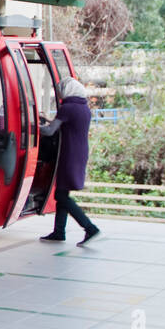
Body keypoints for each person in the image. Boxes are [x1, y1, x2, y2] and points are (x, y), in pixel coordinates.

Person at [39, 76, 100, 246]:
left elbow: (50, 132)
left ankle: (90, 228)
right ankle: (59, 232)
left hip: (69, 154)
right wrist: (50, 120)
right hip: (78, 153)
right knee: (63, 193)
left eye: (60, 90)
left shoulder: (67, 107)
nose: (59, 93)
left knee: (61, 195)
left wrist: (32, 127)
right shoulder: (82, 107)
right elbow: (66, 126)